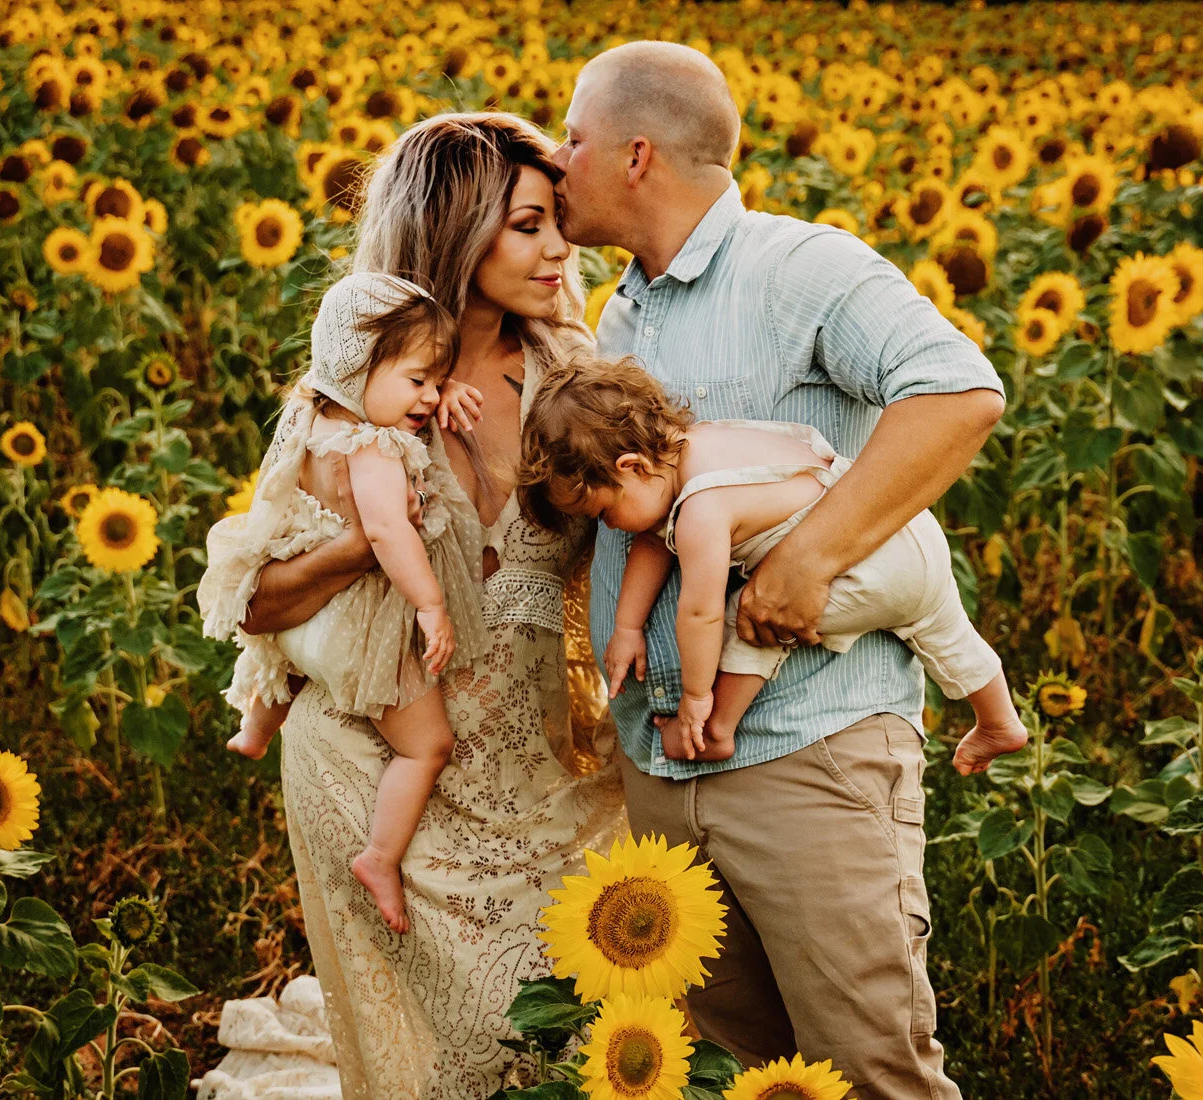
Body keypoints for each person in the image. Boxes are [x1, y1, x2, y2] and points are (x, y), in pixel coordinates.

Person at [554, 41, 1006, 1099]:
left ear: (635, 154)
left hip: (811, 753)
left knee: (871, 1066)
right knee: (742, 1075)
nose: (554, 158)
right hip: (664, 769)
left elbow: (957, 391)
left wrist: (809, 556)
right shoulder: (617, 311)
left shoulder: (801, 267)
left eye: (571, 138)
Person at [204, 113, 625, 1098]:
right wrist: (360, 544)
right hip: (378, 760)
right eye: (528, 225)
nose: (561, 248)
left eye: (556, 221)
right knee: (435, 1064)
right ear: (457, 229)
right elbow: (254, 602)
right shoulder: (349, 399)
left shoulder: (574, 370)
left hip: (546, 771)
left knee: (564, 1042)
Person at [518, 356, 1027, 769]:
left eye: (603, 511)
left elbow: (699, 612)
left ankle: (715, 732)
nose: (607, 527)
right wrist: (628, 626)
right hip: (907, 533)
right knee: (945, 627)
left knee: (752, 617)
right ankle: (999, 720)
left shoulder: (701, 511)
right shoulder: (699, 446)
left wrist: (695, 697)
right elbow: (655, 539)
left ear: (633, 467)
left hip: (865, 569)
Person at [199, 273, 493, 934]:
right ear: (360, 366)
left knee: (298, 661)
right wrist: (429, 605)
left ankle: (255, 728)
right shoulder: (374, 446)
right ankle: (381, 857)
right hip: (354, 629)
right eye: (418, 380)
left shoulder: (312, 416)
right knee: (427, 747)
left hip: (301, 625)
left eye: (436, 382)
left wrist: (433, 395)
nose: (428, 397)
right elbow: (387, 530)